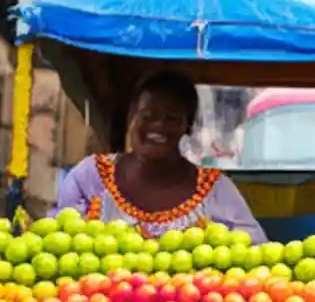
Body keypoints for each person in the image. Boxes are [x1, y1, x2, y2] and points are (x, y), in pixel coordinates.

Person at [54, 71, 266, 242]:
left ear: (188, 126)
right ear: (131, 118)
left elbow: (254, 249)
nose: (158, 126)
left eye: (172, 118)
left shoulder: (215, 189)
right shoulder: (90, 177)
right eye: (148, 115)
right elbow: (60, 241)